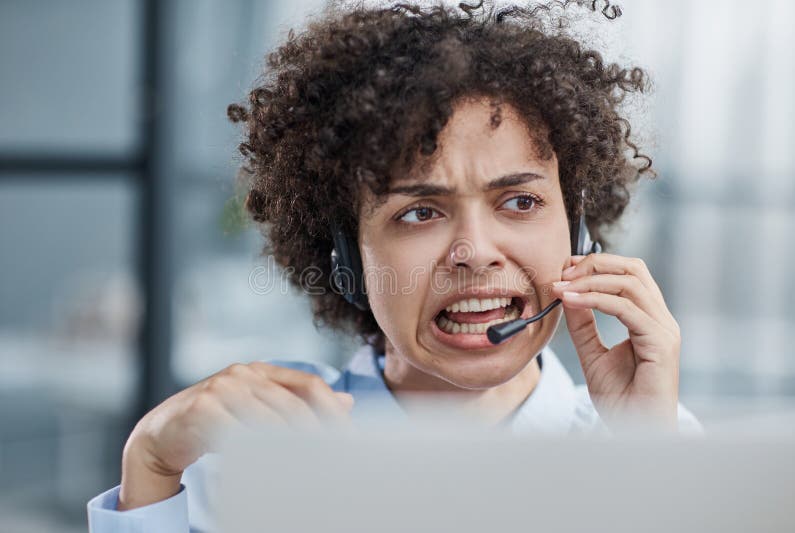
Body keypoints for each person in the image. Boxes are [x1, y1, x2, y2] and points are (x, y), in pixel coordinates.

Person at [87, 1, 702, 531]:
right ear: (347, 256)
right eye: (420, 213)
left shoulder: (650, 440)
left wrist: (647, 467)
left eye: (520, 201)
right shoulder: (251, 457)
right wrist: (151, 468)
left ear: (577, 231)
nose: (476, 250)